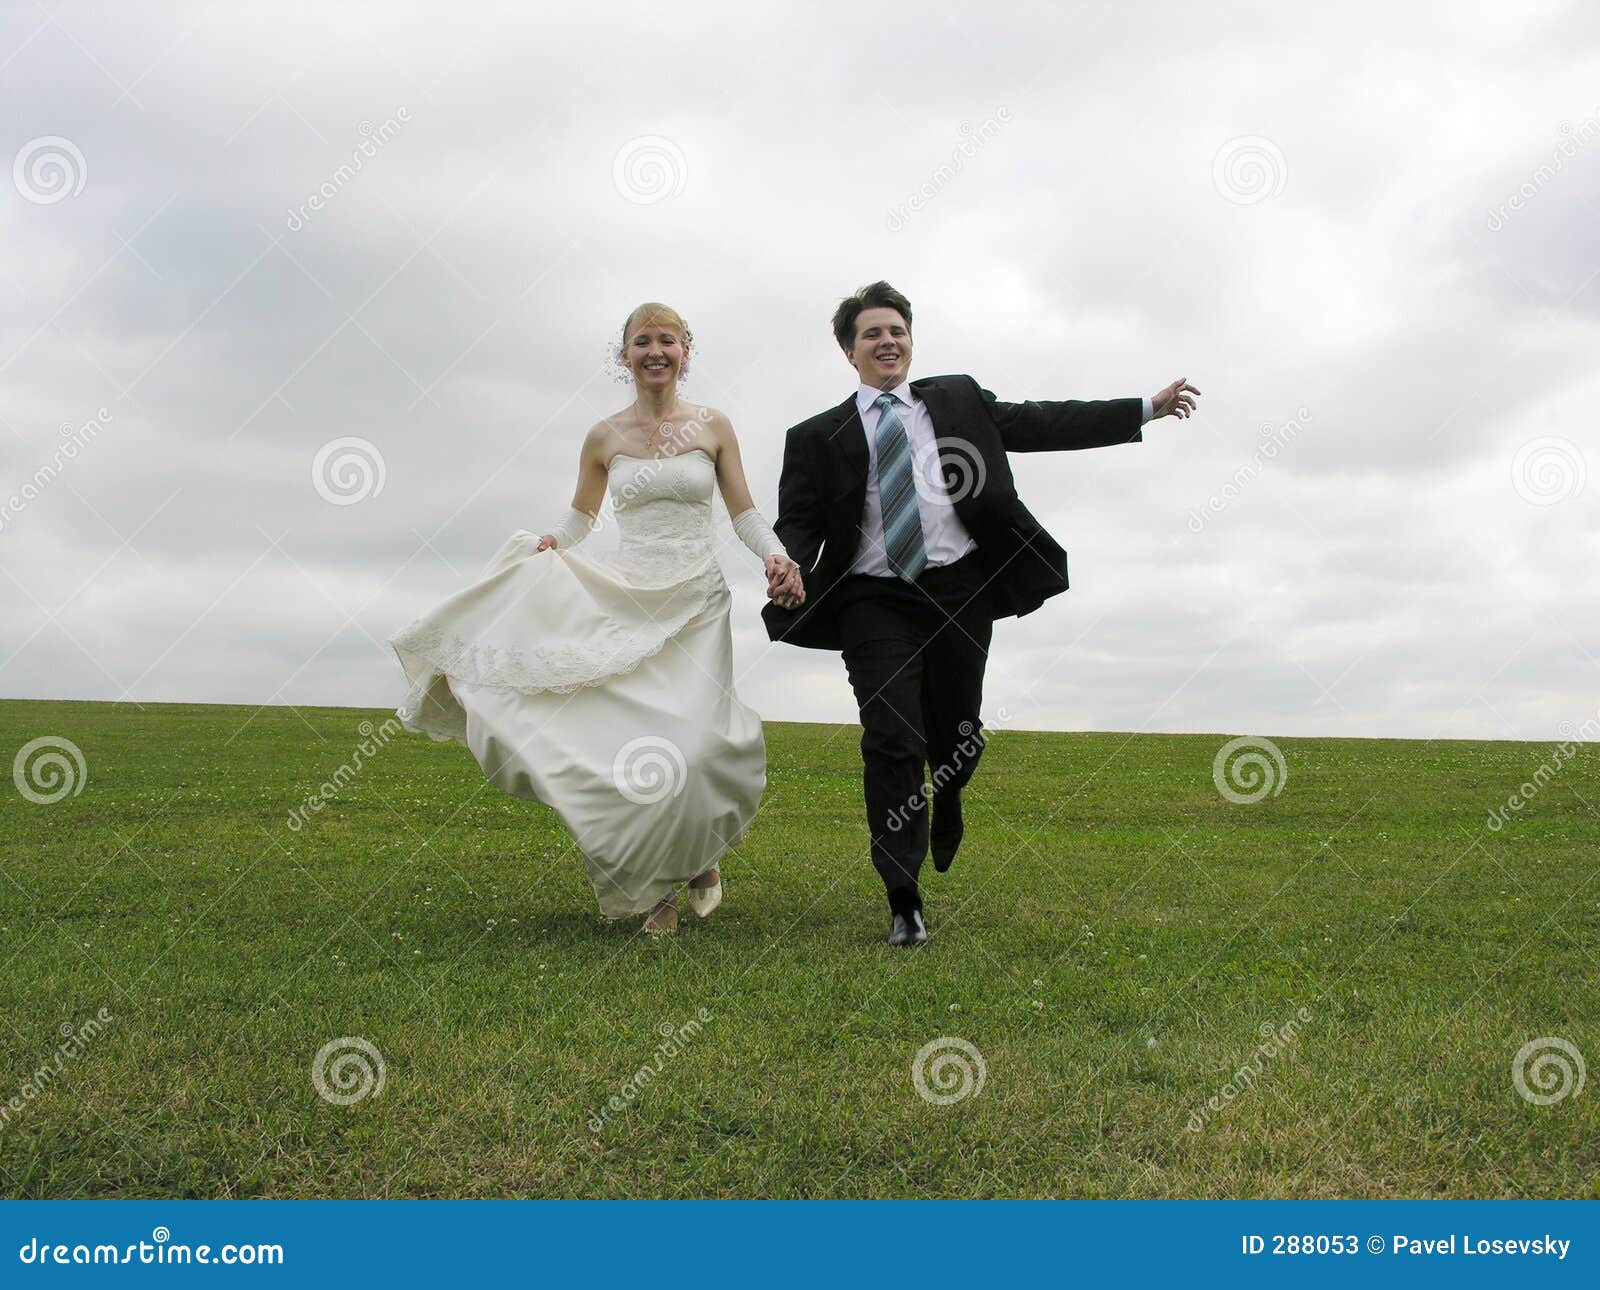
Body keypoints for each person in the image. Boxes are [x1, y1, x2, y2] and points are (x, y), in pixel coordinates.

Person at [761, 281, 1199, 946]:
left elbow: (1041, 422)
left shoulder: (958, 398)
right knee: (890, 736)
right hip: (872, 599)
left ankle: (951, 786)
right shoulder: (817, 436)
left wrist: (1144, 408)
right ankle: (903, 896)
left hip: (958, 588)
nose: (887, 341)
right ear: (850, 352)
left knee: (958, 730)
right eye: (872, 333)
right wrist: (788, 565)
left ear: (911, 341)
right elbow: (797, 522)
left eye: (897, 331)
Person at [391, 303, 802, 934]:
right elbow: (581, 518)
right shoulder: (604, 437)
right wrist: (550, 544)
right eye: (643, 341)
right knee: (636, 748)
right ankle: (658, 891)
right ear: (624, 355)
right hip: (630, 601)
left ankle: (702, 857)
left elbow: (744, 512)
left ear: (686, 352)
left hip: (697, 603)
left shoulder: (714, 425)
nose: (655, 351)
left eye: (668, 341)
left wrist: (775, 556)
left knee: (697, 746)